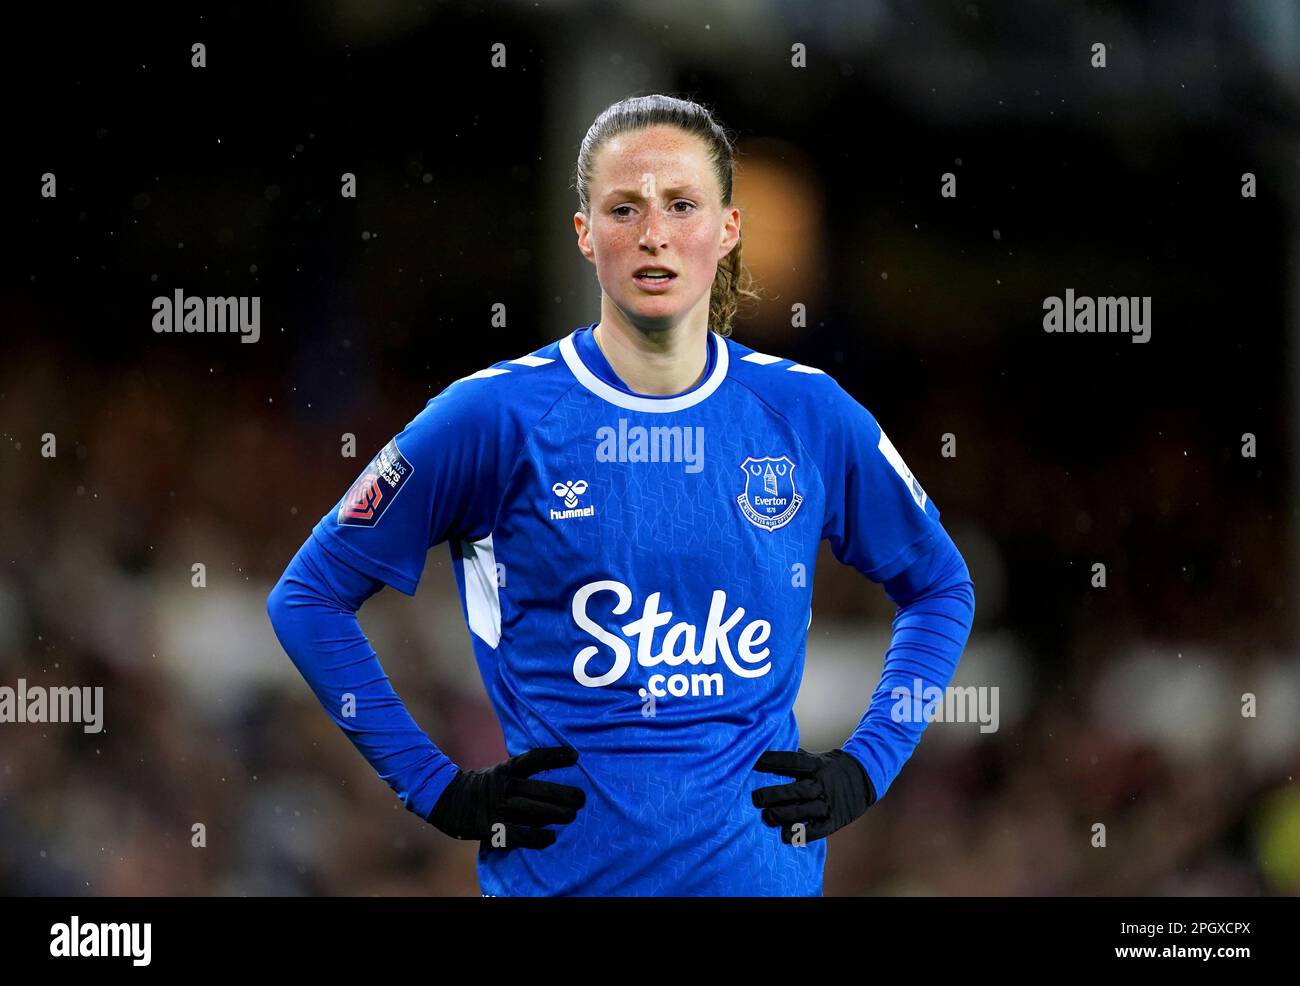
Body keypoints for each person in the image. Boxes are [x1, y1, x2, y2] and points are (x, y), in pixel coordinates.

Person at [267, 93, 975, 896]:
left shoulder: (807, 415)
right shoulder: (492, 418)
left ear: (729, 228)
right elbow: (308, 598)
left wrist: (867, 765)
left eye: (681, 205)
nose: (654, 234)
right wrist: (435, 787)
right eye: (623, 208)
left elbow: (941, 586)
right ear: (583, 233)